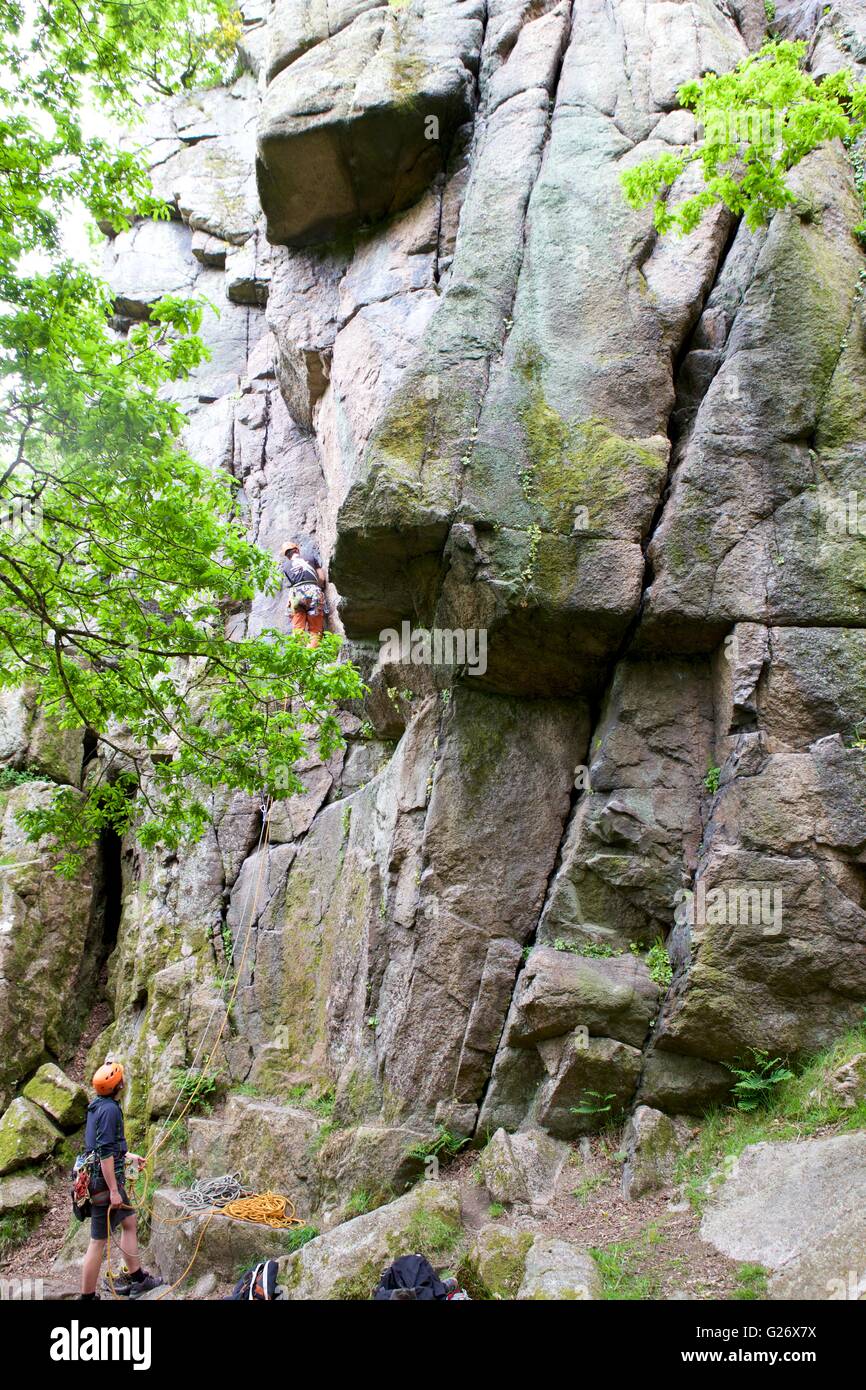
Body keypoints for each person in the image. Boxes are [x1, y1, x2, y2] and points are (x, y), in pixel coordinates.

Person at [79, 1062, 161, 1300]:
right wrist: (114, 1190)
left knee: (129, 1221)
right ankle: (87, 1296)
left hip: (98, 1178)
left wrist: (127, 1156)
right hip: (105, 1184)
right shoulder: (111, 1110)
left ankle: (138, 1279)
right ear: (118, 1085)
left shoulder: (97, 1106)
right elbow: (104, 1153)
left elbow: (102, 1145)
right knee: (98, 1241)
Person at [280, 539, 328, 648]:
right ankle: (311, 653)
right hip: (313, 591)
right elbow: (321, 577)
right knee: (315, 630)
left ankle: (299, 656)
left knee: (298, 629)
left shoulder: (285, 567)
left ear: (287, 555)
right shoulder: (310, 557)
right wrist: (318, 587)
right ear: (297, 549)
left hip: (296, 594)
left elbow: (292, 583)